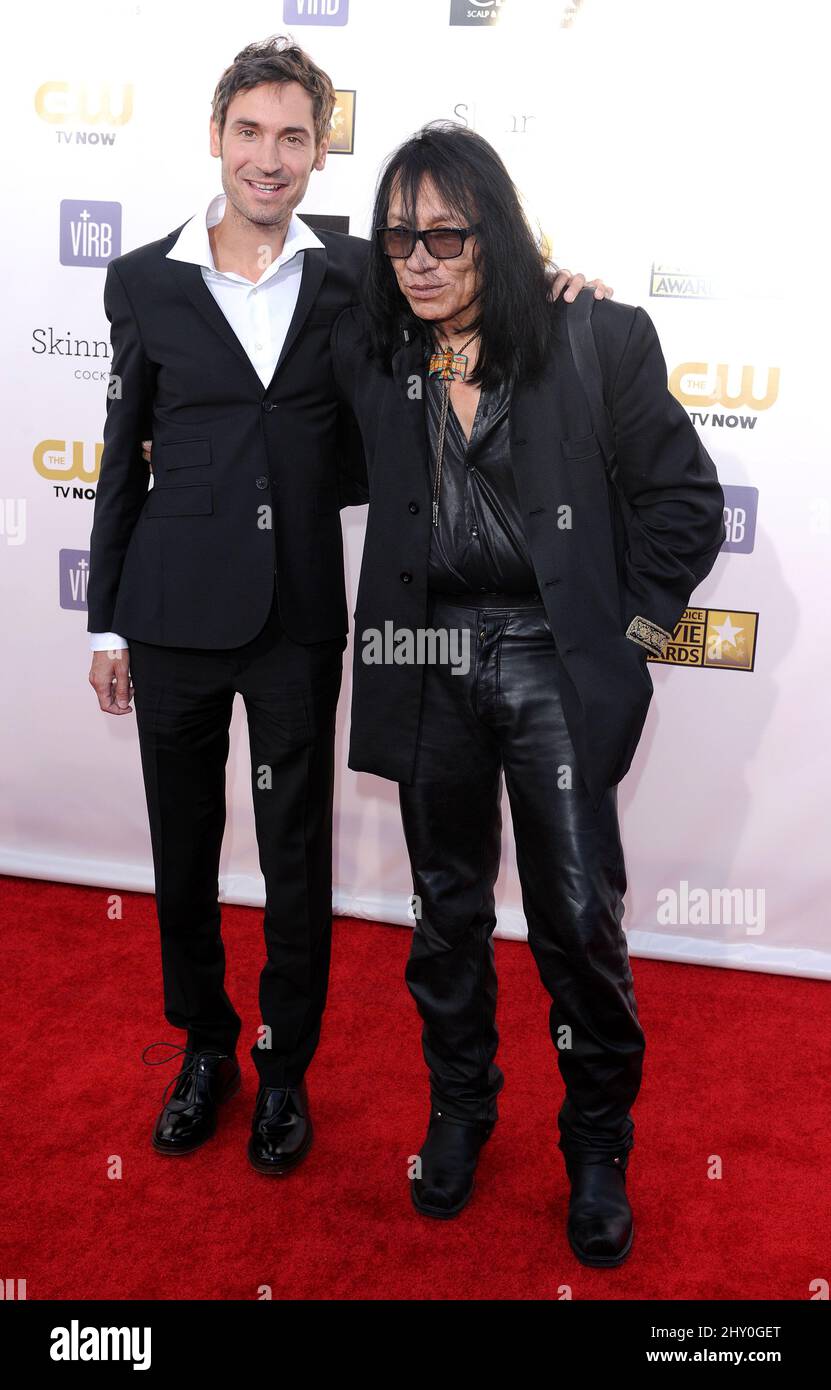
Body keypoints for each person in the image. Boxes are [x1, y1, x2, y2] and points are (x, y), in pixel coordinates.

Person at [86, 38, 600, 1176]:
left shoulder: (360, 271)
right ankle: (205, 1048)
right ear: (215, 135)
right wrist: (107, 620)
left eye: (294, 137)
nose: (268, 159)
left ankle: (283, 1068)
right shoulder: (142, 280)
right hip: (167, 612)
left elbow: (472, 279)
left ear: (321, 151)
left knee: (294, 854)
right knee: (182, 849)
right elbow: (122, 456)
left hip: (300, 614)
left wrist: (563, 287)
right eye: (249, 132)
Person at [331, 122, 725, 1265]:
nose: (420, 260)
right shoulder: (376, 350)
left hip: (555, 654)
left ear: (496, 235)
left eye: (447, 236)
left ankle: (597, 1145)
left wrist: (628, 639)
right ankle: (461, 1108)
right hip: (424, 654)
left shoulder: (594, 335)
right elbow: (264, 264)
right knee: (445, 911)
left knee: (577, 917)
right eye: (399, 238)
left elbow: (686, 504)